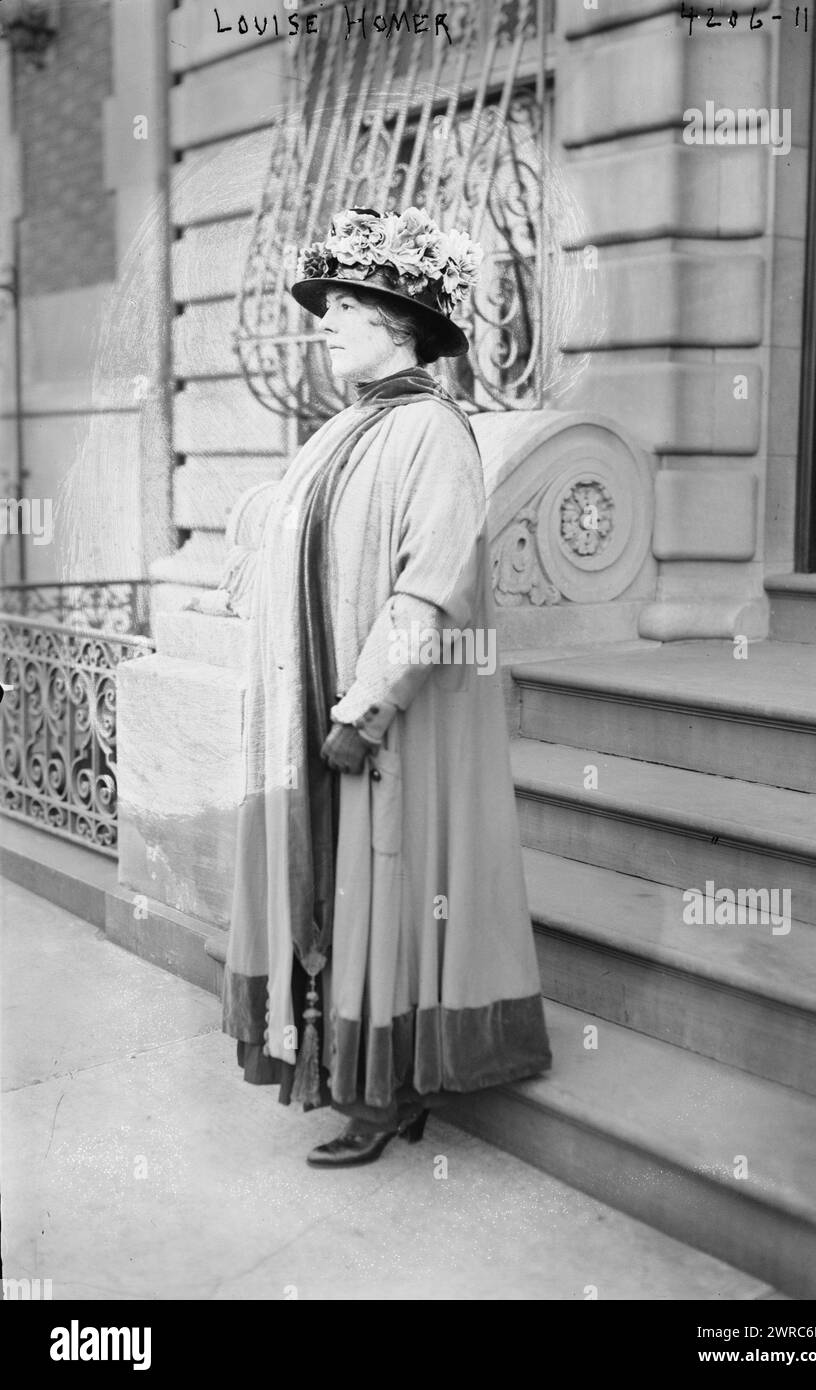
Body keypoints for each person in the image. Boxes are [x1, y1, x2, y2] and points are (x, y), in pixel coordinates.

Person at [204, 205, 552, 1167]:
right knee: (335, 892)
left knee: (382, 895)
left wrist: (364, 707)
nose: (322, 325)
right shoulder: (340, 431)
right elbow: (283, 533)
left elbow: (429, 583)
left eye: (344, 308)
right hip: (304, 704)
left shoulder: (434, 432)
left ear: (399, 325)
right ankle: (343, 1072)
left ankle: (388, 1095)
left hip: (375, 723)